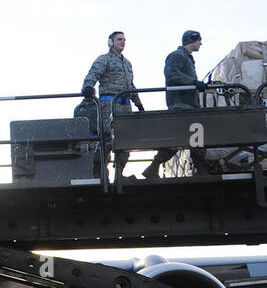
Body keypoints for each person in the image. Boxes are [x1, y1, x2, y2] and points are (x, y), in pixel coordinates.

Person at [143, 30, 208, 179]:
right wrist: (193, 82)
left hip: (189, 105)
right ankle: (155, 166)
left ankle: (200, 168)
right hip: (181, 104)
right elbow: (171, 74)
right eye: (199, 40)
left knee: (195, 136)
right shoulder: (177, 56)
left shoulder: (187, 58)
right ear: (192, 40)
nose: (201, 43)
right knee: (183, 137)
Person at [81, 30, 144, 178]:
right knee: (107, 140)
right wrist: (88, 87)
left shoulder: (127, 63)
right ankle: (100, 174)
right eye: (119, 39)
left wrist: (139, 104)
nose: (123, 42)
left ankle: (119, 175)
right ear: (111, 42)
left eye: (124, 39)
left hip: (125, 107)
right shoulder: (104, 59)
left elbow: (131, 85)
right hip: (109, 105)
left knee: (126, 140)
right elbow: (93, 74)